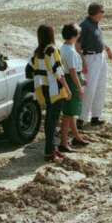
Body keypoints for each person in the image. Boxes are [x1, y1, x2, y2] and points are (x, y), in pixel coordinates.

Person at [30, 23, 71, 161]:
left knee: (49, 120)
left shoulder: (37, 52)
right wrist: (67, 88)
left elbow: (30, 69)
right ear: (51, 35)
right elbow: (58, 72)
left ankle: (52, 149)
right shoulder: (52, 50)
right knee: (52, 122)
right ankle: (49, 153)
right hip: (54, 91)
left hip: (43, 90)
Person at [78, 2, 112, 127]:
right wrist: (83, 62)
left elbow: (99, 40)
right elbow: (77, 46)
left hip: (100, 57)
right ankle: (81, 118)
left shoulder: (96, 24)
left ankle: (95, 116)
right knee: (89, 89)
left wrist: (108, 49)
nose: (103, 14)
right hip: (90, 58)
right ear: (95, 12)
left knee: (100, 87)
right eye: (102, 11)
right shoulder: (84, 26)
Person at [59, 23, 91, 149]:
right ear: (74, 35)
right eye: (78, 32)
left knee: (71, 113)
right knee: (68, 115)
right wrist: (79, 87)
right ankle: (63, 143)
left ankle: (76, 137)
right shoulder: (70, 51)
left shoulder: (64, 48)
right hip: (71, 82)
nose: (80, 34)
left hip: (71, 80)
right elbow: (72, 71)